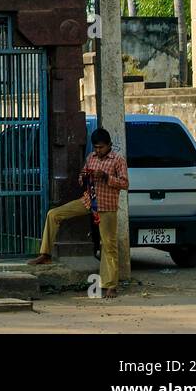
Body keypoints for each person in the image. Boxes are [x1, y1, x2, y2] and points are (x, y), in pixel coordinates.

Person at [29, 126, 129, 298]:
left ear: (109, 145)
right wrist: (85, 176)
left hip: (106, 206)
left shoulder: (118, 160)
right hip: (88, 201)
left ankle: (110, 285)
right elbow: (81, 176)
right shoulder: (91, 157)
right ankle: (45, 254)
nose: (98, 150)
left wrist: (106, 177)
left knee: (108, 245)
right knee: (54, 214)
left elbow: (125, 183)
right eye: (96, 147)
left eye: (101, 147)